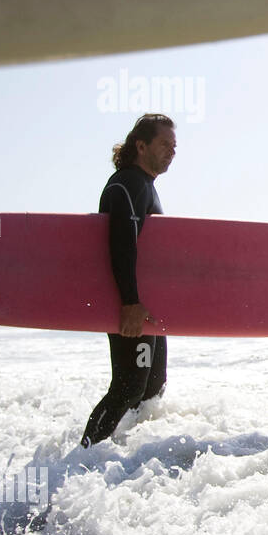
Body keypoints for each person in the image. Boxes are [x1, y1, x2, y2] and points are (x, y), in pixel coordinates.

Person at [82, 114, 176, 448]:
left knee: (152, 385)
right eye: (165, 143)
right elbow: (123, 241)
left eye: (174, 145)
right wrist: (130, 303)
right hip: (127, 300)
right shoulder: (128, 183)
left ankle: (125, 454)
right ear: (141, 145)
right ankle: (83, 457)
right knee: (129, 385)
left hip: (143, 302)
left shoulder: (144, 185)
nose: (172, 151)